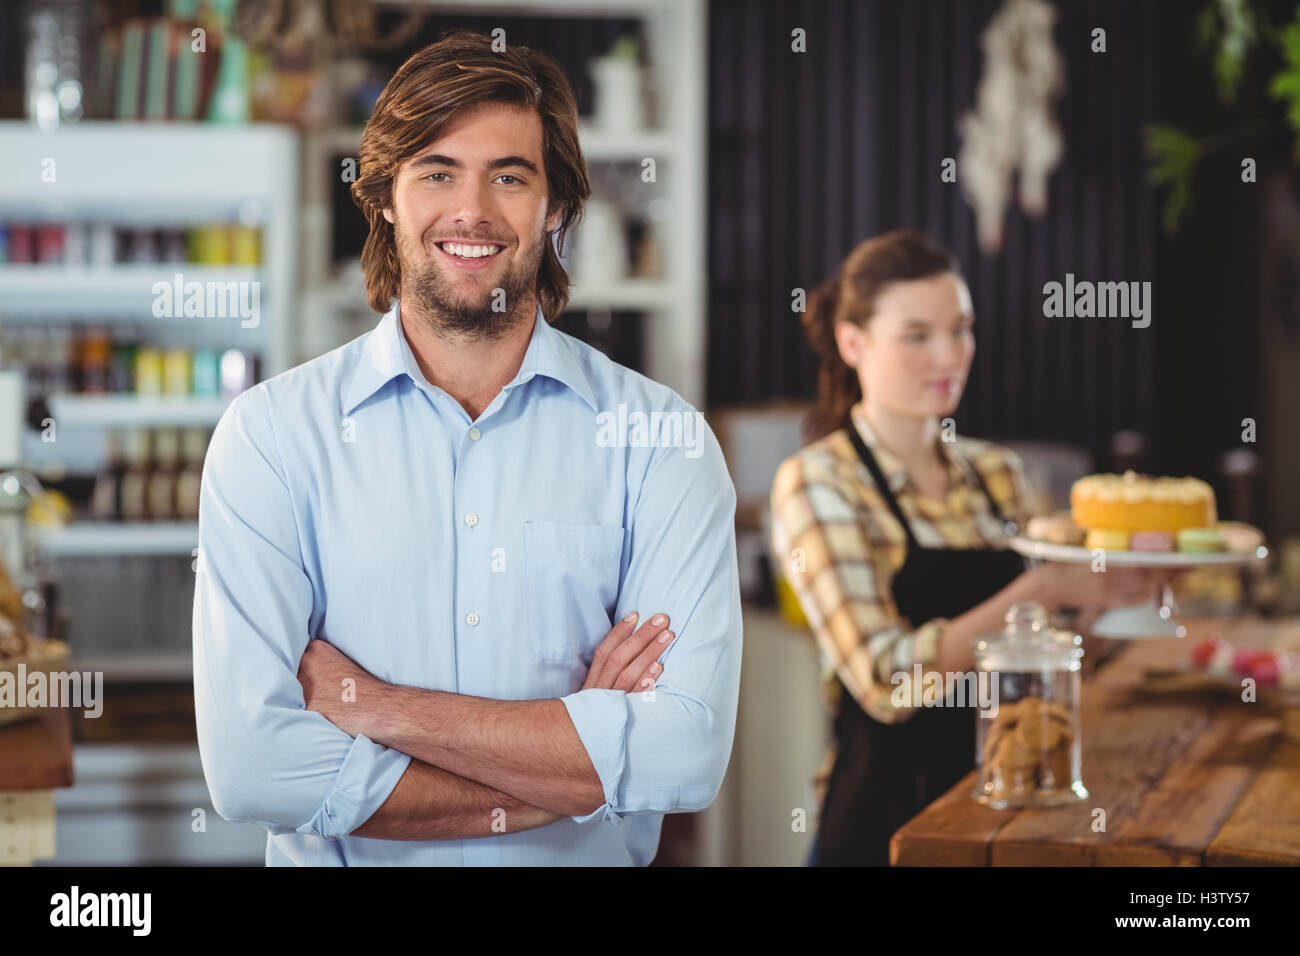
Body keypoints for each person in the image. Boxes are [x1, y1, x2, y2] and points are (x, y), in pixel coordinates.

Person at [193, 31, 742, 866]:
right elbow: (252, 770)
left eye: (510, 176)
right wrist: (577, 759)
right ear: (383, 197)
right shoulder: (271, 437)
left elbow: (684, 755)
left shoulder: (661, 441)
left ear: (556, 206)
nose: (472, 211)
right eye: (436, 171)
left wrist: (377, 705)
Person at [769, 230, 1167, 866]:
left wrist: (1119, 602)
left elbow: (1054, 657)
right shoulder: (819, 482)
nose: (949, 355)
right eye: (918, 335)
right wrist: (1038, 591)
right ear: (852, 343)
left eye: (962, 329)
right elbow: (887, 681)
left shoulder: (999, 472)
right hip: (887, 825)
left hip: (1015, 810)